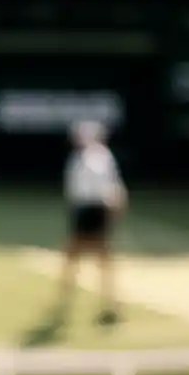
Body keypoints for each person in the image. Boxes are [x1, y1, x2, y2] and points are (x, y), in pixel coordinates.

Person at [57, 120, 126, 326]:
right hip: (86, 209)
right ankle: (108, 302)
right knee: (84, 255)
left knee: (89, 255)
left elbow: (105, 188)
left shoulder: (94, 156)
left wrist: (113, 204)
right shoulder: (87, 157)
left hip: (91, 209)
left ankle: (109, 302)